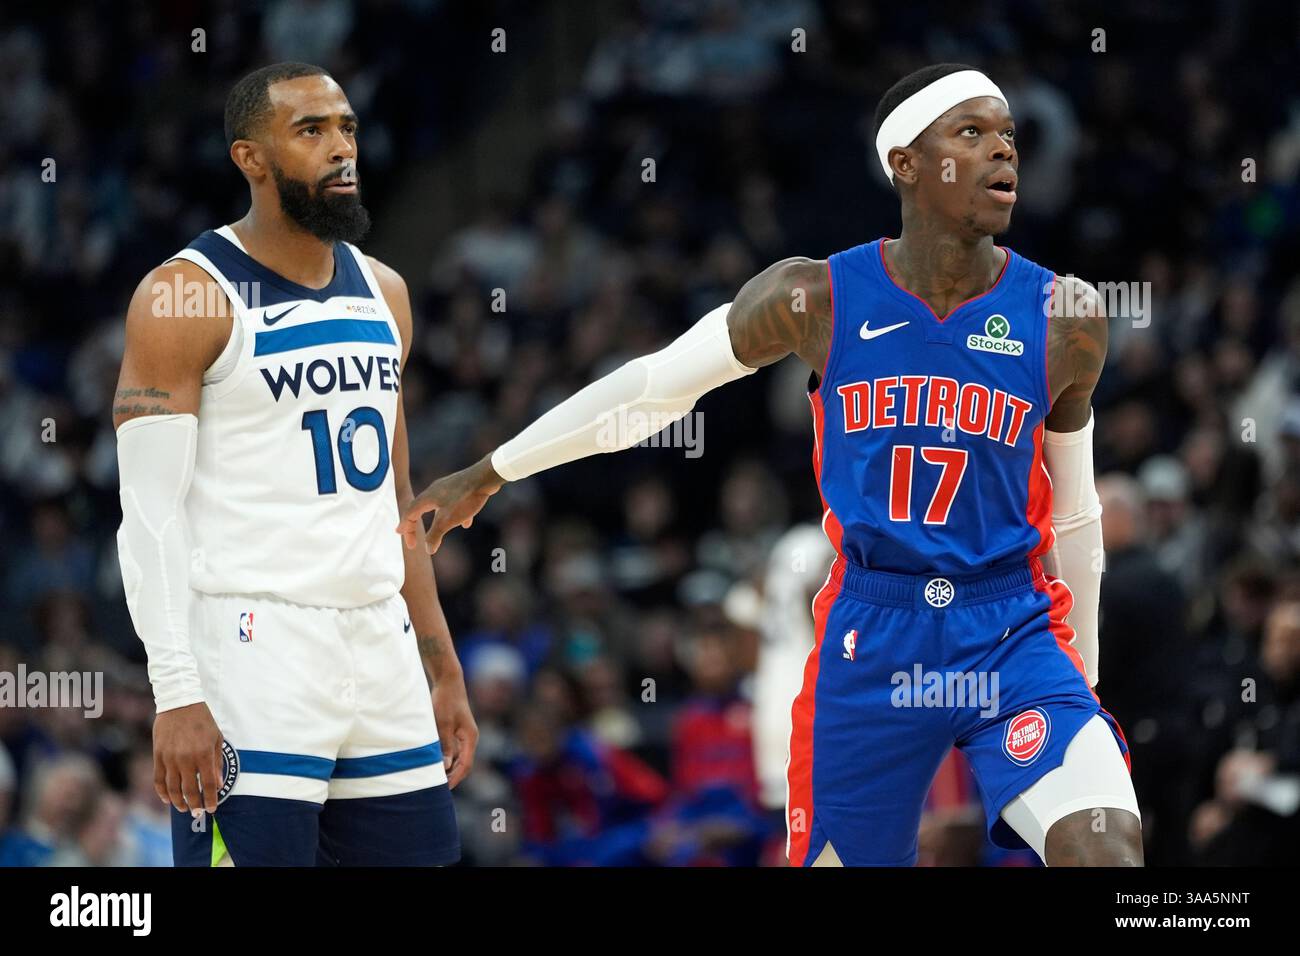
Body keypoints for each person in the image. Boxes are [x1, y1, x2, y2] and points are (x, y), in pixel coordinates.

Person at [398, 63, 1142, 867]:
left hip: (1011, 628)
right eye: (973, 133)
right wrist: (496, 468)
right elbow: (655, 390)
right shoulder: (814, 297)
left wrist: (1085, 685)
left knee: (1105, 848)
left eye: (1008, 135)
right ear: (906, 165)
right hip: (874, 634)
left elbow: (1075, 513)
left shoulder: (1065, 314)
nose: (1004, 151)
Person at [113, 62, 475, 866]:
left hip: (378, 644)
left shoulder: (387, 293)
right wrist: (176, 693)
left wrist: (440, 664)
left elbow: (399, 496)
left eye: (345, 127)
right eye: (311, 131)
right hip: (251, 651)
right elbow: (148, 517)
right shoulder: (185, 296)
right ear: (251, 158)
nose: (341, 148)